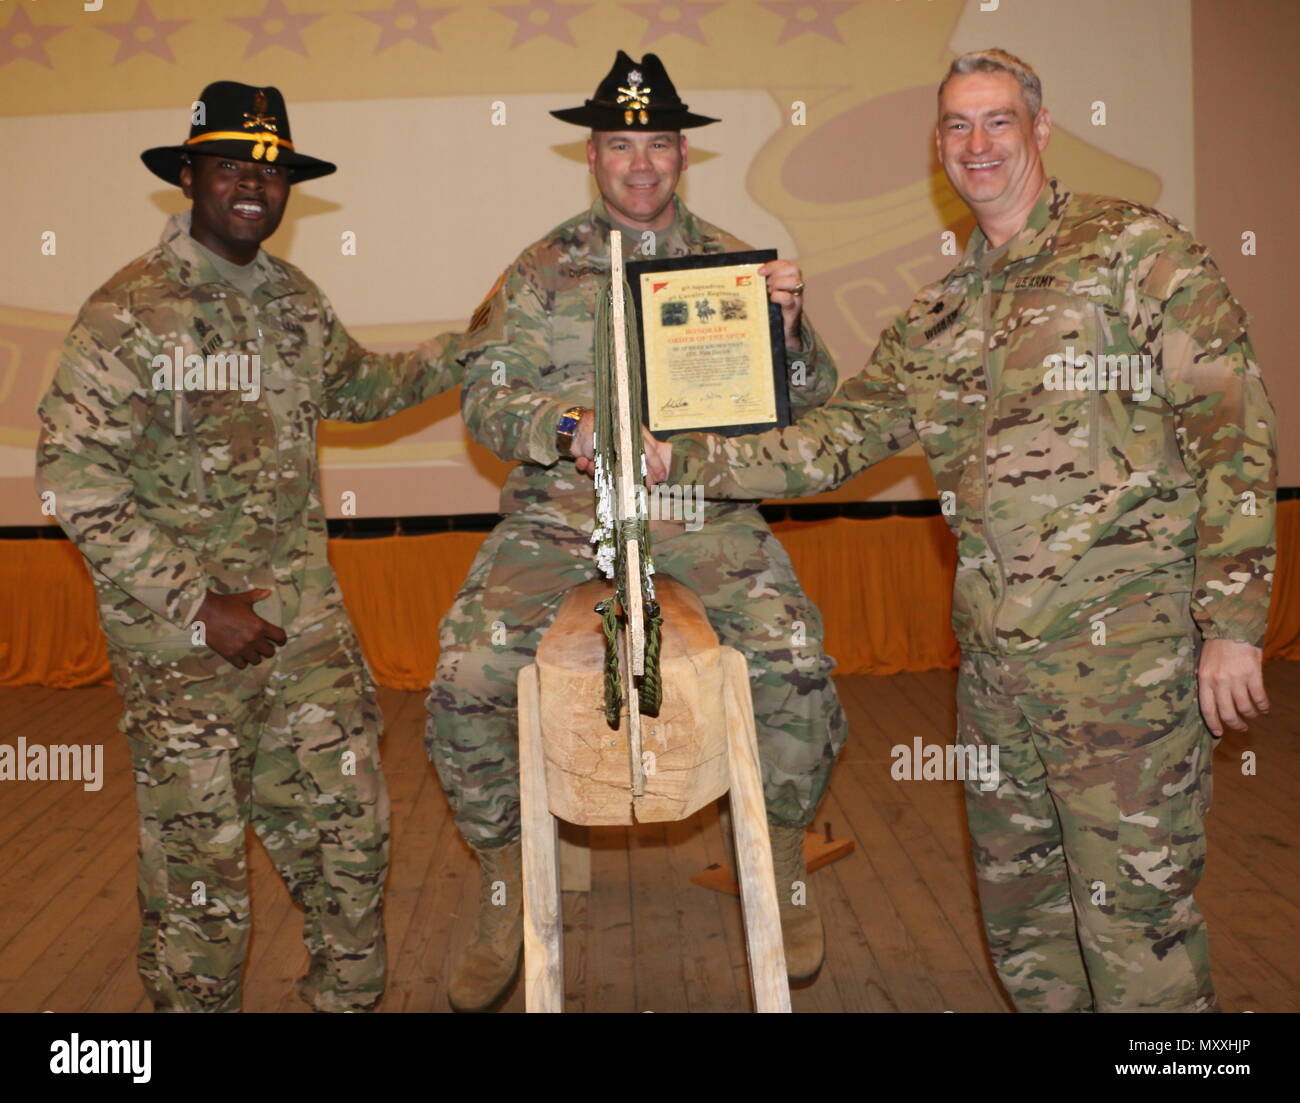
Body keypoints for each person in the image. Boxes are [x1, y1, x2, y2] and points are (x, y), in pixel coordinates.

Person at [662, 49, 1277, 1012]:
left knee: (1138, 938)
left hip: (1125, 668)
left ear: (1039, 129)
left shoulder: (1132, 251)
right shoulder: (937, 314)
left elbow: (1231, 420)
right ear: (937, 148)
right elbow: (832, 442)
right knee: (1026, 932)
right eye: (957, 125)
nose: (977, 143)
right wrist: (675, 459)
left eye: (997, 121)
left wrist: (1235, 620)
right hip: (993, 675)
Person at [426, 51, 846, 1011]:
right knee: (469, 675)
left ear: (684, 151)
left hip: (698, 505)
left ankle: (780, 859)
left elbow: (812, 401)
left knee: (794, 658)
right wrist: (564, 431)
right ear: (593, 153)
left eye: (658, 142)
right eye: (622, 144)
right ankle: (504, 885)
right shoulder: (537, 272)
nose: (642, 163)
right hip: (561, 513)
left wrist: (787, 332)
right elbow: (486, 404)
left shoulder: (736, 266)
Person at [35, 82, 463, 1012]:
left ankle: (346, 1000)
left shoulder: (292, 298)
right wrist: (198, 603)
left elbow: (361, 387)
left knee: (350, 836)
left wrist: (474, 348)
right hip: (185, 653)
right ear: (188, 176)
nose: (252, 187)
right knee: (204, 874)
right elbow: (73, 478)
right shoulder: (128, 312)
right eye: (231, 165)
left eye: (270, 172)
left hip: (305, 634)